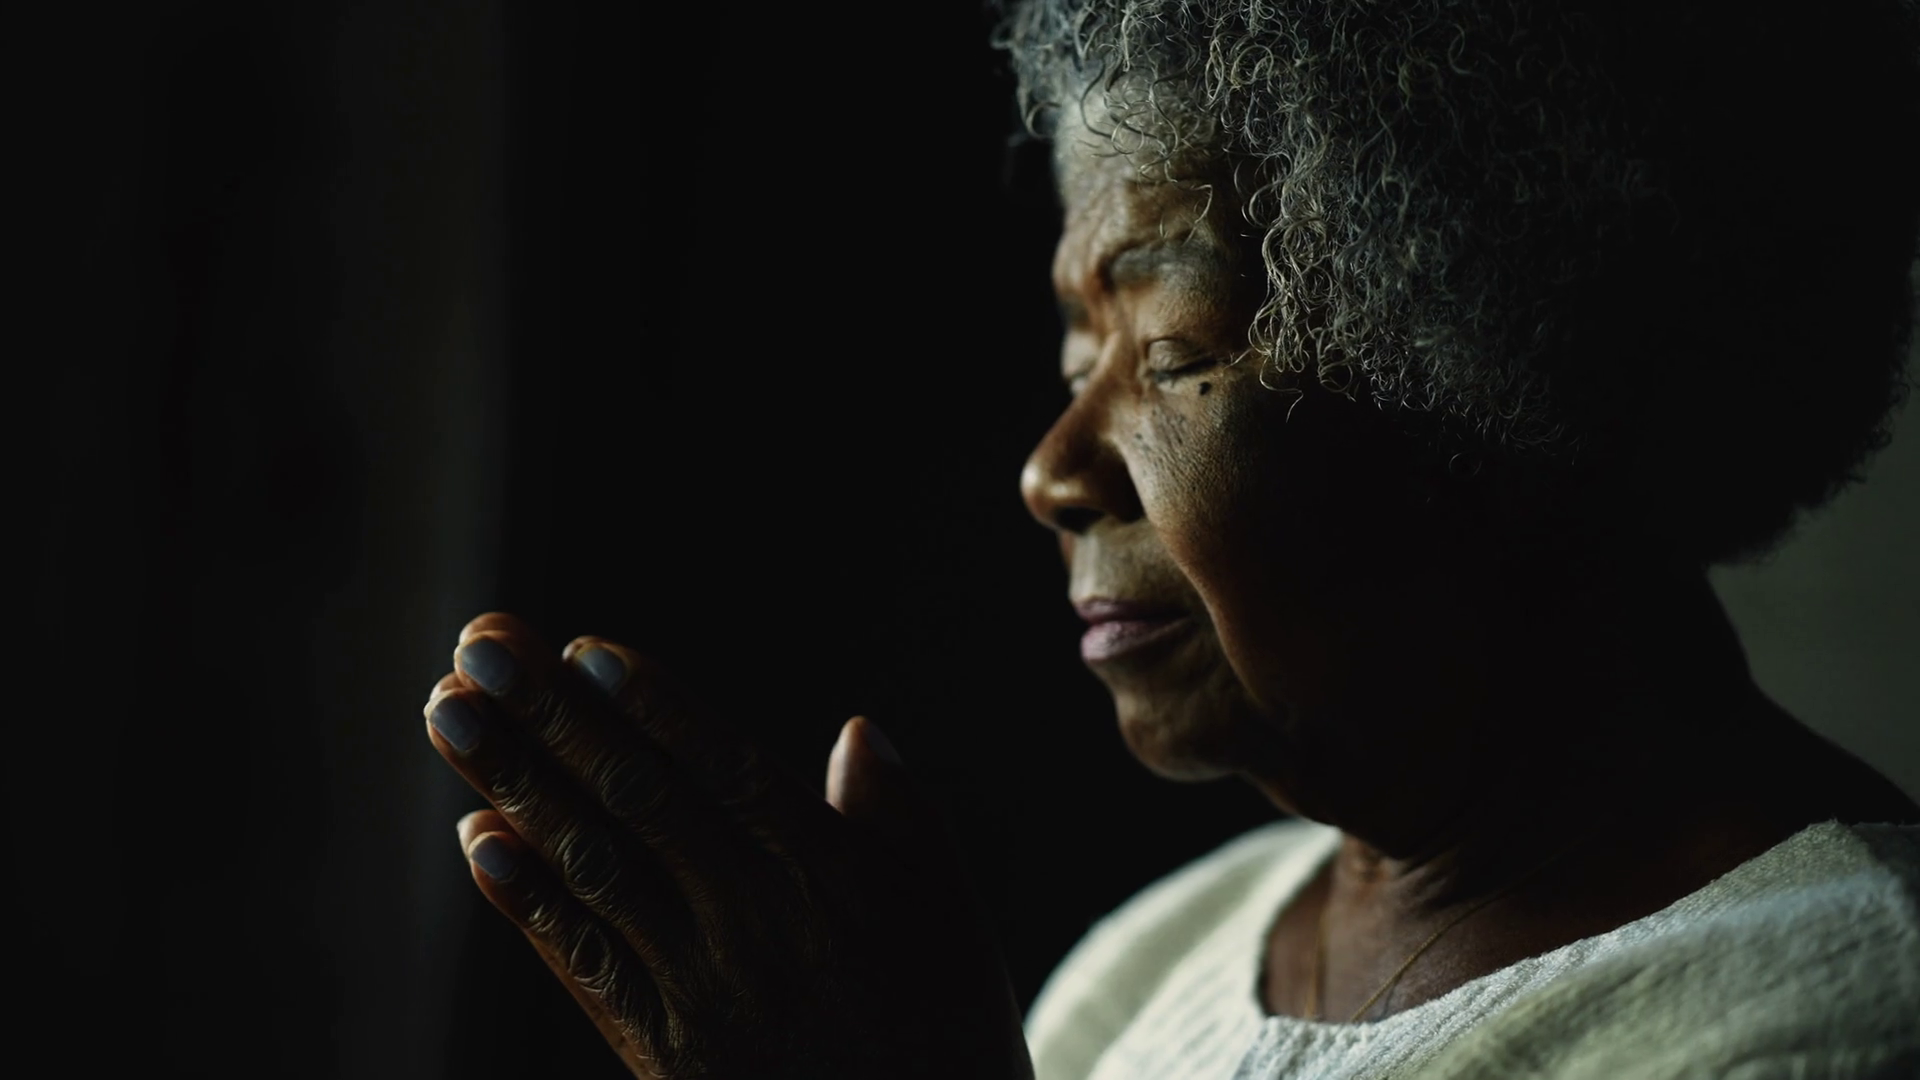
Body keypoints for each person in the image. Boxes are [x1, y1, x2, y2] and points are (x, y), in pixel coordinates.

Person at [419, 0, 1920, 1076]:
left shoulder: (1826, 1013)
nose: (1052, 470)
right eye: (1083, 366)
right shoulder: (1171, 955)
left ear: (1507, 361)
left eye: (1177, 350)